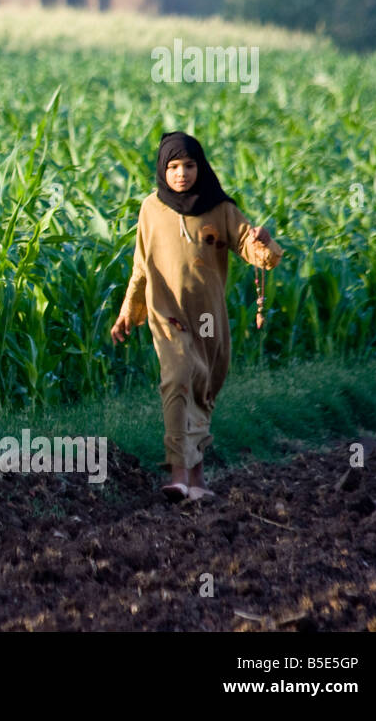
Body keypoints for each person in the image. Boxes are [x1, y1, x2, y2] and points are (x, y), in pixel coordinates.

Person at [110, 131, 283, 503]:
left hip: (207, 317)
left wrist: (264, 243)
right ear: (162, 170)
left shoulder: (220, 209)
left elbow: (253, 251)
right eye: (173, 167)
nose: (181, 174)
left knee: (203, 386)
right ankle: (178, 474)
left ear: (200, 167)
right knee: (177, 379)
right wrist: (129, 310)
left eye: (189, 165)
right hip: (167, 312)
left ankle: (197, 478)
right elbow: (141, 265)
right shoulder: (151, 210)